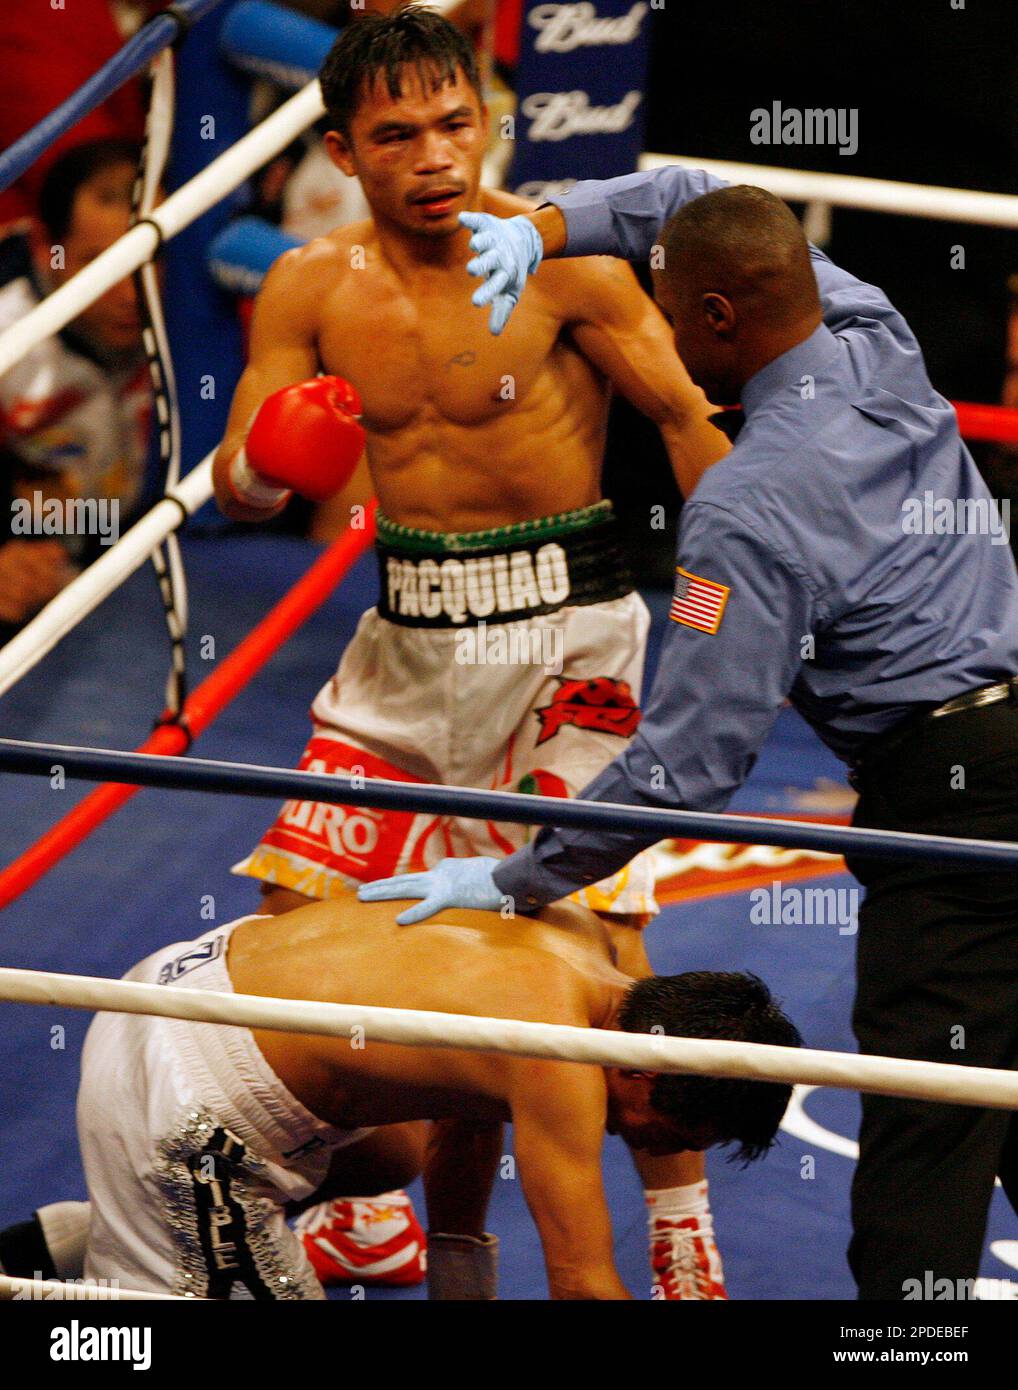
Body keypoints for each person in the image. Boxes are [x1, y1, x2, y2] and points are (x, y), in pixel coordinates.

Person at [361, 165, 1018, 1300]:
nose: (655, 327)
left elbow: (688, 765)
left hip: (953, 821)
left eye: (668, 309)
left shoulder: (739, 508)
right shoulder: (872, 331)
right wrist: (549, 225)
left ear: (715, 318)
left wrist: (522, 875)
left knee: (929, 1133)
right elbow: (704, 196)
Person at [211, 8, 731, 1293]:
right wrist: (275, 467)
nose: (435, 155)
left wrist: (723, 628)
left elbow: (693, 430)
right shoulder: (307, 285)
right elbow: (236, 483)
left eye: (456, 123)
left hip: (575, 642)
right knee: (297, 929)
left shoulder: (569, 266)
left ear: (488, 121)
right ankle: (389, 1216)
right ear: (345, 150)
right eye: (398, 135)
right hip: (405, 648)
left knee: (583, 944)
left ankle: (680, 1226)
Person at [46, 891, 797, 1300]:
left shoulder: (573, 935)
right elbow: (580, 1280)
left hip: (177, 980)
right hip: (183, 1099)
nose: (657, 1150)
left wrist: (461, 1289)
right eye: (667, 1129)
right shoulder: (563, 1059)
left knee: (390, 1155)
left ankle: (65, 1239)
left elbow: (465, 1127)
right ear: (642, 1070)